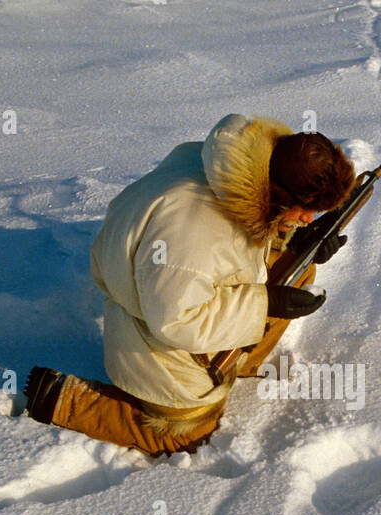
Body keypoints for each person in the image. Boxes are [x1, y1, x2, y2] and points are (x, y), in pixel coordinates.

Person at [22, 113, 356, 457]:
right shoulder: (194, 230)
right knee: (186, 433)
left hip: (168, 286)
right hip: (153, 333)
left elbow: (239, 245)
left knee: (297, 273)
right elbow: (177, 320)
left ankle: (238, 360)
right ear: (278, 194)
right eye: (305, 210)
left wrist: (297, 243)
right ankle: (62, 400)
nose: (308, 219)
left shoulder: (234, 168)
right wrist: (262, 304)